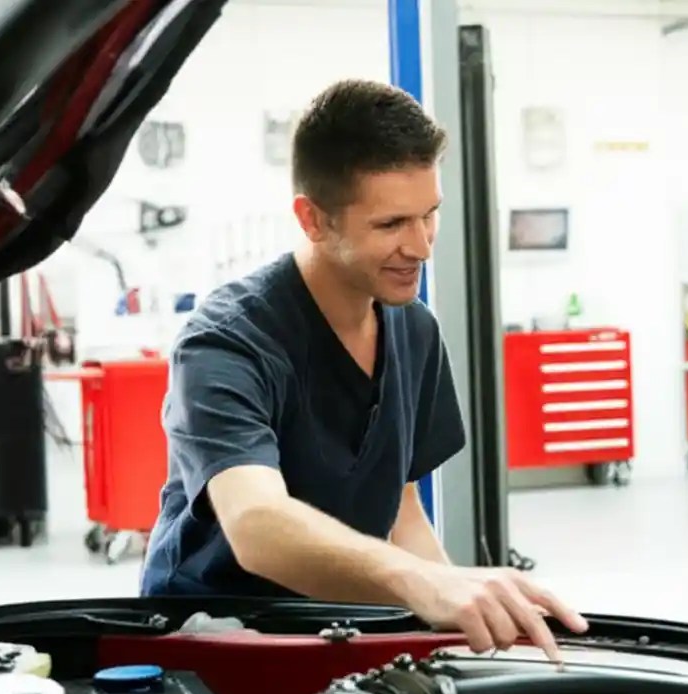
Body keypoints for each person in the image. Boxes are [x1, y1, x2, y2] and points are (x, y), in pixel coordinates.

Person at [139, 78, 588, 661]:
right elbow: (256, 525)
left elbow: (399, 509)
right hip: (214, 637)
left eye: (430, 215)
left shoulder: (415, 330)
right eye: (391, 224)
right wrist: (419, 585)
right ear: (313, 219)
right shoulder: (227, 343)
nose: (423, 246)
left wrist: (467, 627)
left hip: (342, 627)